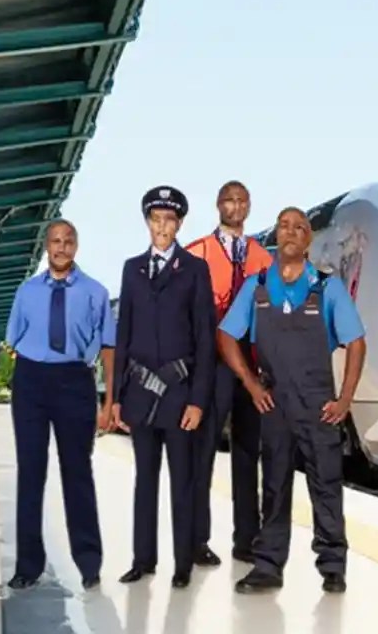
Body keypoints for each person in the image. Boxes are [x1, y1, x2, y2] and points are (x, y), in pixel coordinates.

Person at [217, 206, 366, 594]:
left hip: (318, 404)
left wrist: (345, 399)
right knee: (275, 485)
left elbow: (356, 343)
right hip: (275, 400)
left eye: (300, 228)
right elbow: (226, 335)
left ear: (308, 241)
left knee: (326, 484)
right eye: (284, 226)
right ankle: (268, 566)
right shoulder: (257, 286)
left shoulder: (327, 288)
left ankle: (333, 566)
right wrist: (251, 384)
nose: (291, 232)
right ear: (277, 236)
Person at [112, 186, 216, 589]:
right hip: (139, 396)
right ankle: (143, 560)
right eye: (156, 219)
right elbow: (123, 336)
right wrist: (116, 397)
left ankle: (183, 564)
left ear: (179, 224)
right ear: (147, 223)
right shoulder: (131, 269)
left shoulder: (194, 270)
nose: (162, 227)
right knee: (144, 481)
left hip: (178, 396)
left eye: (169, 220)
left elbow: (205, 339)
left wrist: (198, 400)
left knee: (182, 482)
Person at [4, 219, 116, 591]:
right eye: (55, 241)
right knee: (31, 473)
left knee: (77, 472)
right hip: (31, 381)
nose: (62, 247)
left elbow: (109, 347)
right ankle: (27, 566)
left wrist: (109, 398)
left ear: (76, 246)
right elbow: (12, 342)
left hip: (75, 382)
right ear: (46, 246)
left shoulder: (96, 293)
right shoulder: (26, 292)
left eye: (68, 241)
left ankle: (88, 562)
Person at [183, 181, 273, 566]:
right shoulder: (195, 254)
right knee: (201, 454)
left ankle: (246, 540)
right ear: (218, 205)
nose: (235, 206)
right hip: (211, 366)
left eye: (241, 201)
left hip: (250, 367)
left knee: (248, 454)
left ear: (249, 207)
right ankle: (195, 540)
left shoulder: (263, 258)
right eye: (228, 200)